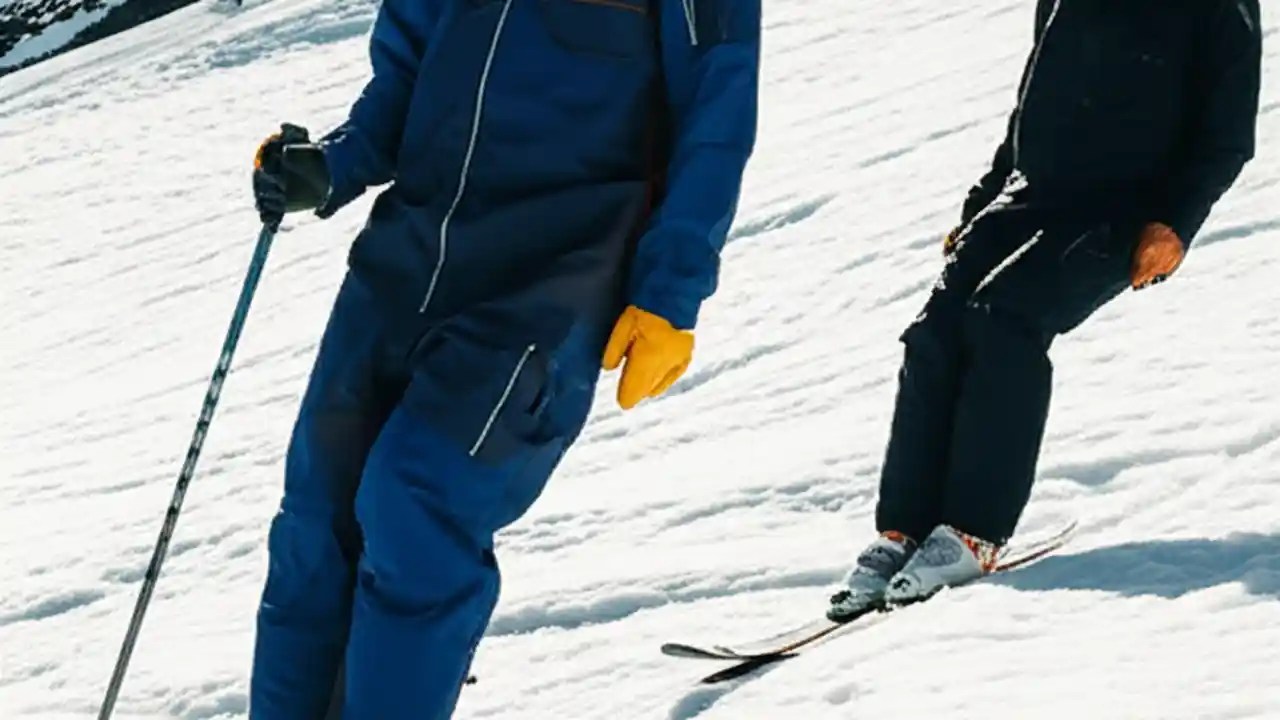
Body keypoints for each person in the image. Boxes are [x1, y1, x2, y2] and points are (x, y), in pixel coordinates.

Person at [248, 1, 760, 717]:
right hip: (405, 262)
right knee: (316, 513)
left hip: (552, 279)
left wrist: (671, 292)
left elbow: (717, 104)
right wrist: (333, 163)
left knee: (416, 498)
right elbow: (403, 70)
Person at [829, 0, 1261, 620]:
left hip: (1126, 207)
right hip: (1030, 195)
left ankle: (973, 532)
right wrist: (982, 200)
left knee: (1005, 320)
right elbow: (1033, 100)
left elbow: (1227, 130)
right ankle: (902, 532)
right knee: (937, 329)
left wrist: (1176, 223)